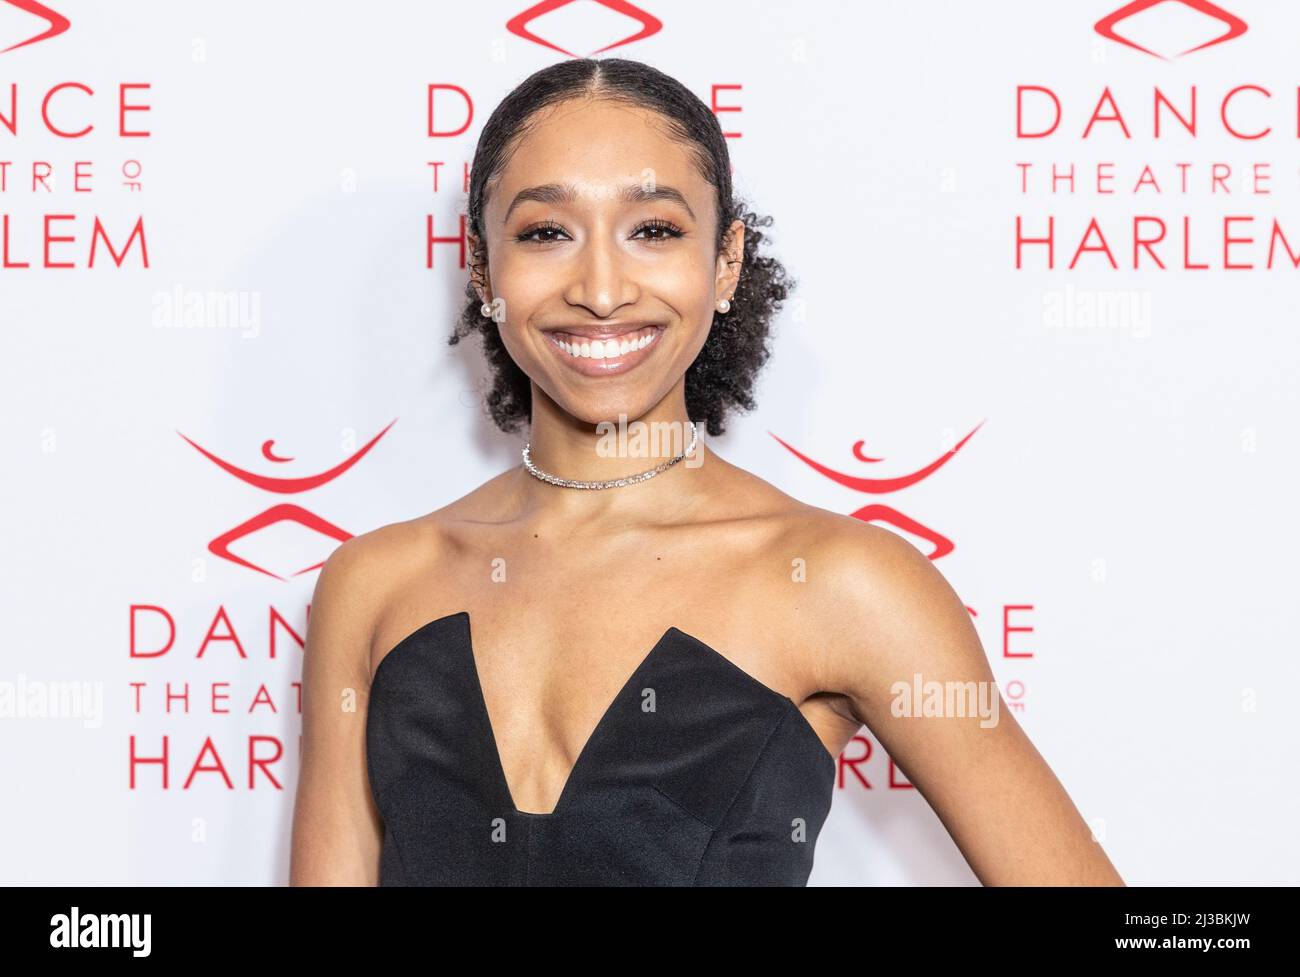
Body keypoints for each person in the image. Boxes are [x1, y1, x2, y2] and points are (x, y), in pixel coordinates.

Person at [288, 57, 1124, 886]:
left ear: (726, 261)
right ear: (481, 267)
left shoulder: (843, 583)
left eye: (653, 230)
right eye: (547, 232)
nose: (603, 289)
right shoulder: (374, 584)